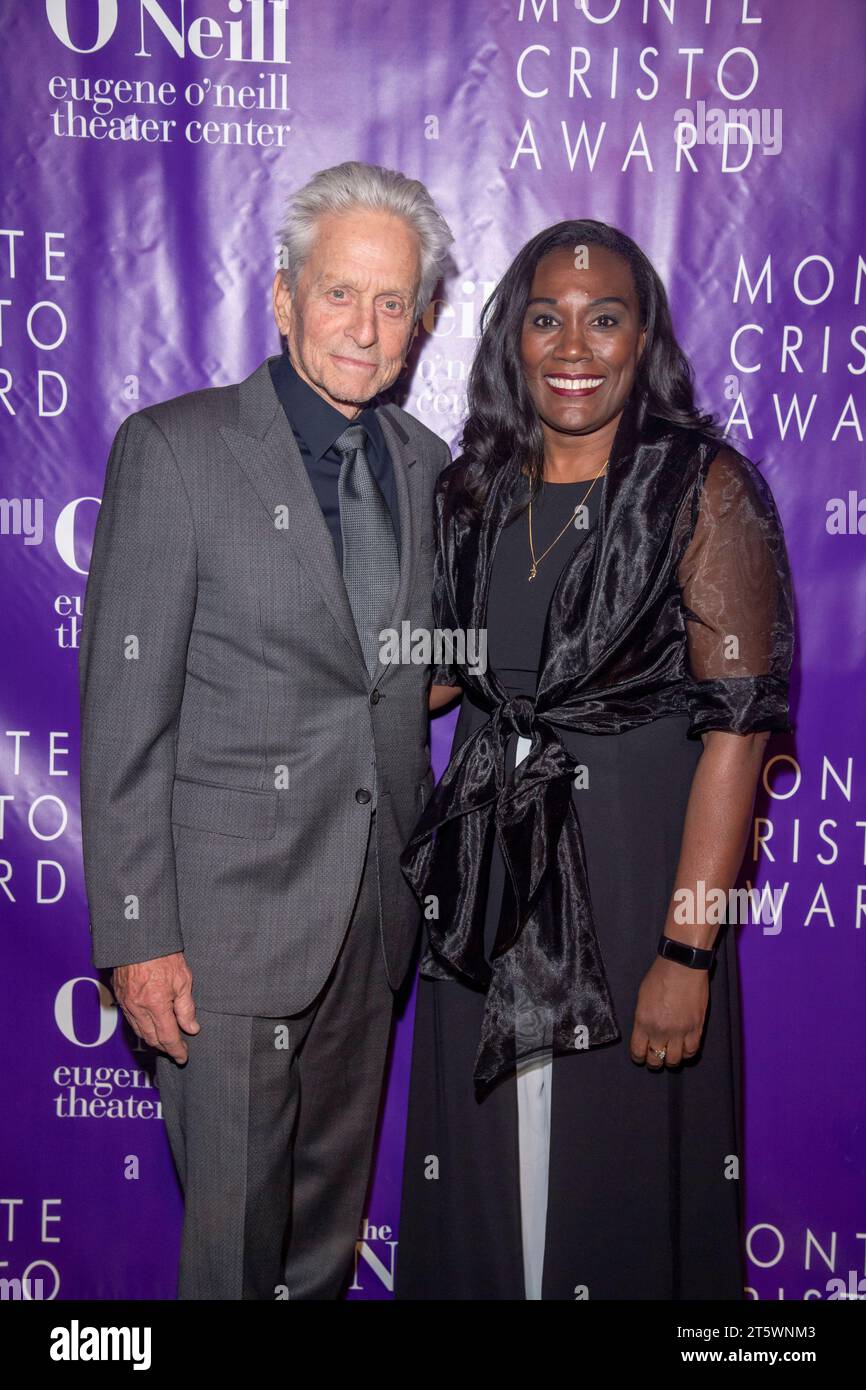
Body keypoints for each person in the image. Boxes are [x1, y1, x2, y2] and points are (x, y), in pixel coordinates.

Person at [395, 219, 795, 1301]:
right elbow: (438, 668)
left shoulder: (704, 489)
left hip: (629, 885)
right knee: (479, 1166)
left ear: (642, 336)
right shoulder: (471, 489)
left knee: (616, 1180)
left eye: (603, 318)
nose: (573, 344)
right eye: (545, 318)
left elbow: (737, 731)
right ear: (511, 341)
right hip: (481, 874)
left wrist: (688, 948)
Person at [78, 161, 454, 1299]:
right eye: (340, 293)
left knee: (318, 1254)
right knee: (234, 1257)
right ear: (283, 295)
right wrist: (138, 934)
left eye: (392, 304)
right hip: (223, 939)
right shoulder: (175, 450)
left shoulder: (430, 471)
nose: (364, 326)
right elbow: (122, 714)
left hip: (373, 918)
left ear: (422, 321)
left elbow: (398, 670)